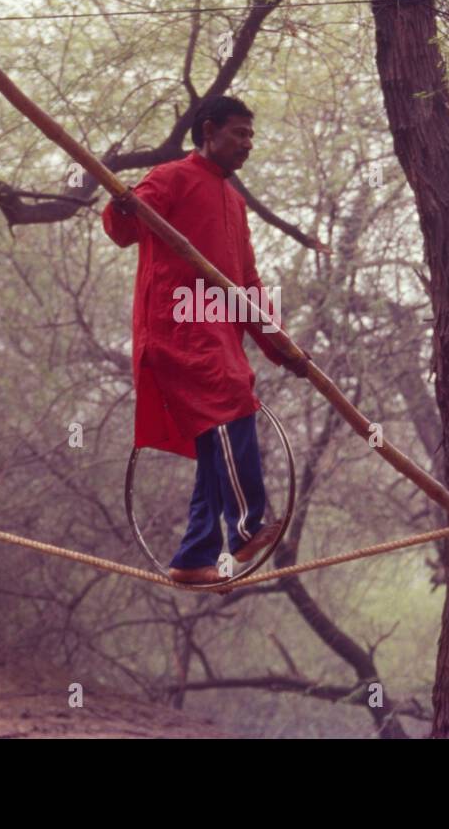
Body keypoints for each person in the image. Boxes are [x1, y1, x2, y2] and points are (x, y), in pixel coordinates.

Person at [102, 96, 308, 584]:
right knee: (231, 397)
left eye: (251, 136)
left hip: (216, 330)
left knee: (218, 437)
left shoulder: (234, 202)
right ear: (209, 131)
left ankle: (194, 556)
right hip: (176, 325)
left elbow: (248, 284)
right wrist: (122, 200)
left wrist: (279, 344)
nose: (247, 145)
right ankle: (246, 528)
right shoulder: (172, 177)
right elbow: (123, 229)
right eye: (240, 133)